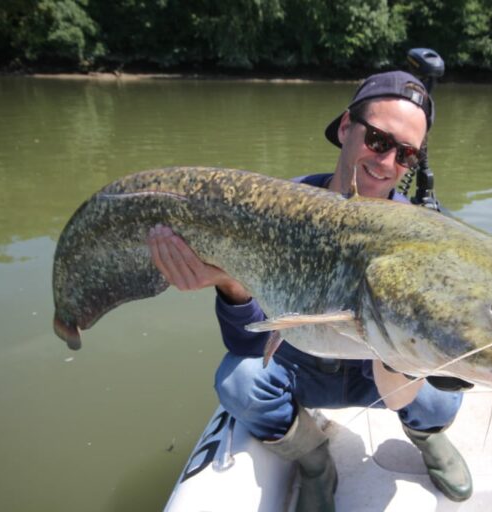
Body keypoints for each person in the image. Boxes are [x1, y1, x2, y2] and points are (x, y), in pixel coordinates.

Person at [148, 71, 472, 510]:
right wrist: (229, 283)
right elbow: (248, 343)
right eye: (378, 140)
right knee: (239, 382)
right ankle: (314, 460)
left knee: (441, 397)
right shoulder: (279, 208)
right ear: (345, 127)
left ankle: (427, 437)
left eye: (406, 154)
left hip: (376, 377)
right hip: (301, 368)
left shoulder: (426, 233)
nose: (386, 162)